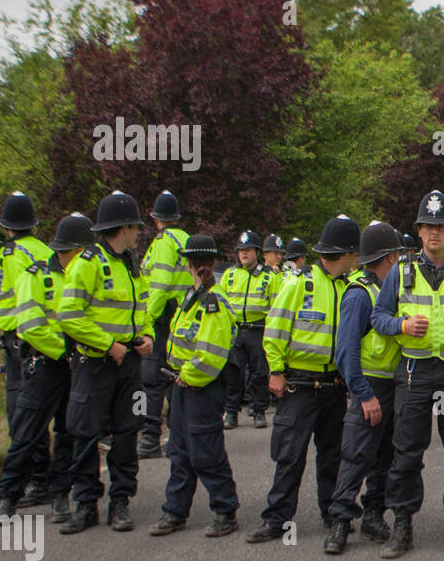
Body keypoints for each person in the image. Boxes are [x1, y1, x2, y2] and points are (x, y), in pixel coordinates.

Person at [371, 191, 444, 560]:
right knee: (406, 453)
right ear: (419, 232)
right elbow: (377, 318)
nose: (434, 233)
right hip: (413, 372)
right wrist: (402, 324)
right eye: (428, 226)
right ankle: (402, 524)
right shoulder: (401, 273)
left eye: (441, 226)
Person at [247, 216, 360, 543]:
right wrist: (276, 371)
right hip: (298, 385)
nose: (356, 260)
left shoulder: (348, 288)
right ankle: (277, 519)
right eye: (354, 254)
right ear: (343, 254)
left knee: (333, 454)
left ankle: (330, 511)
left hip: (334, 386)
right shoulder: (299, 284)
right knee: (290, 454)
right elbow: (275, 330)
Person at [57, 191, 154, 534]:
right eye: (135, 226)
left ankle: (120, 502)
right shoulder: (88, 263)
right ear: (123, 227)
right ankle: (85, 505)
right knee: (85, 434)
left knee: (127, 431)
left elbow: (142, 309)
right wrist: (107, 344)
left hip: (127, 363)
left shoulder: (132, 264)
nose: (139, 232)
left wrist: (147, 335)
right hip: (95, 363)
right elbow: (68, 315)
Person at [0, 213, 94, 523]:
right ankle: (10, 495)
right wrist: (63, 351)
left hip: (75, 365)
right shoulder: (35, 277)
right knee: (26, 431)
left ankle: (60, 493)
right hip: (44, 365)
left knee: (67, 431)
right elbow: (31, 326)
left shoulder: (83, 275)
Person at [148, 235, 241, 537]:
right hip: (183, 385)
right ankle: (175, 511)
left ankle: (225, 510)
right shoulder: (194, 296)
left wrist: (187, 375)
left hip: (199, 387)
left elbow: (211, 353)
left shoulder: (212, 301)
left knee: (205, 451)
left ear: (188, 263)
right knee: (180, 451)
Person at [323, 221, 407, 554]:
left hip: (393, 386)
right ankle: (340, 522)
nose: (401, 260)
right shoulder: (360, 294)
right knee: (356, 455)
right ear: (388, 257)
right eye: (398, 254)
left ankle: (373, 515)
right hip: (369, 386)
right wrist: (364, 395)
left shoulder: (391, 289)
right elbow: (346, 354)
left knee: (385, 456)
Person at [0, 192, 55, 503]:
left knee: (22, 410)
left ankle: (34, 479)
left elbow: (12, 298)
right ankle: (41, 477)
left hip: (19, 338)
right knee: (38, 407)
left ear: (6, 225)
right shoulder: (45, 249)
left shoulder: (10, 254)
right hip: (44, 337)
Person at [138, 191, 191, 459]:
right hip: (184, 316)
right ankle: (177, 434)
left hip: (162, 317)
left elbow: (158, 286)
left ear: (157, 220)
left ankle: (149, 437)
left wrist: (146, 319)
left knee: (151, 378)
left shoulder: (162, 242)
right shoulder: (186, 239)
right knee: (175, 376)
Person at [217, 230, 280, 430]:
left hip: (258, 329)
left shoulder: (269, 277)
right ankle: (231, 412)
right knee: (233, 373)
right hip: (235, 330)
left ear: (257, 252)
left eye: (248, 250)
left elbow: (275, 307)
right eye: (241, 250)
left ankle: (259, 410)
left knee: (259, 373)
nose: (244, 254)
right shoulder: (230, 275)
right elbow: (222, 303)